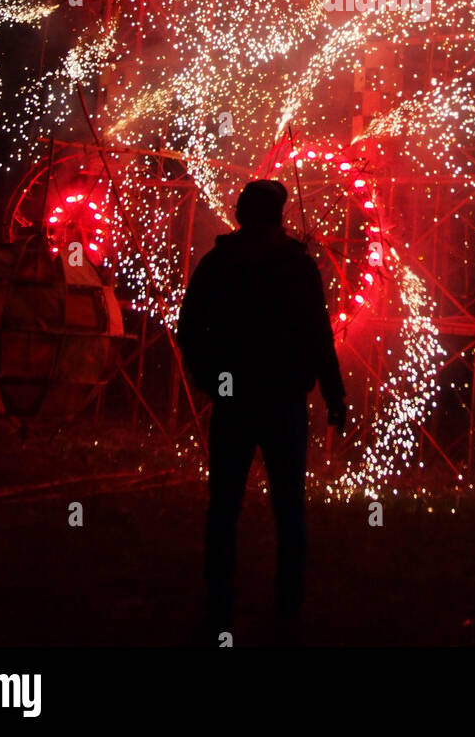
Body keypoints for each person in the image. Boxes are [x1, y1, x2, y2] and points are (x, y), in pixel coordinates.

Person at [177, 179, 346, 639]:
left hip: (236, 401)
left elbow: (189, 329)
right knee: (289, 507)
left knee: (224, 508)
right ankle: (287, 610)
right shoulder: (296, 267)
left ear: (239, 214)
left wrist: (212, 380)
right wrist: (334, 395)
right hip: (283, 400)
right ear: (278, 216)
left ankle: (220, 611)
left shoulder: (218, 264)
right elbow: (319, 336)